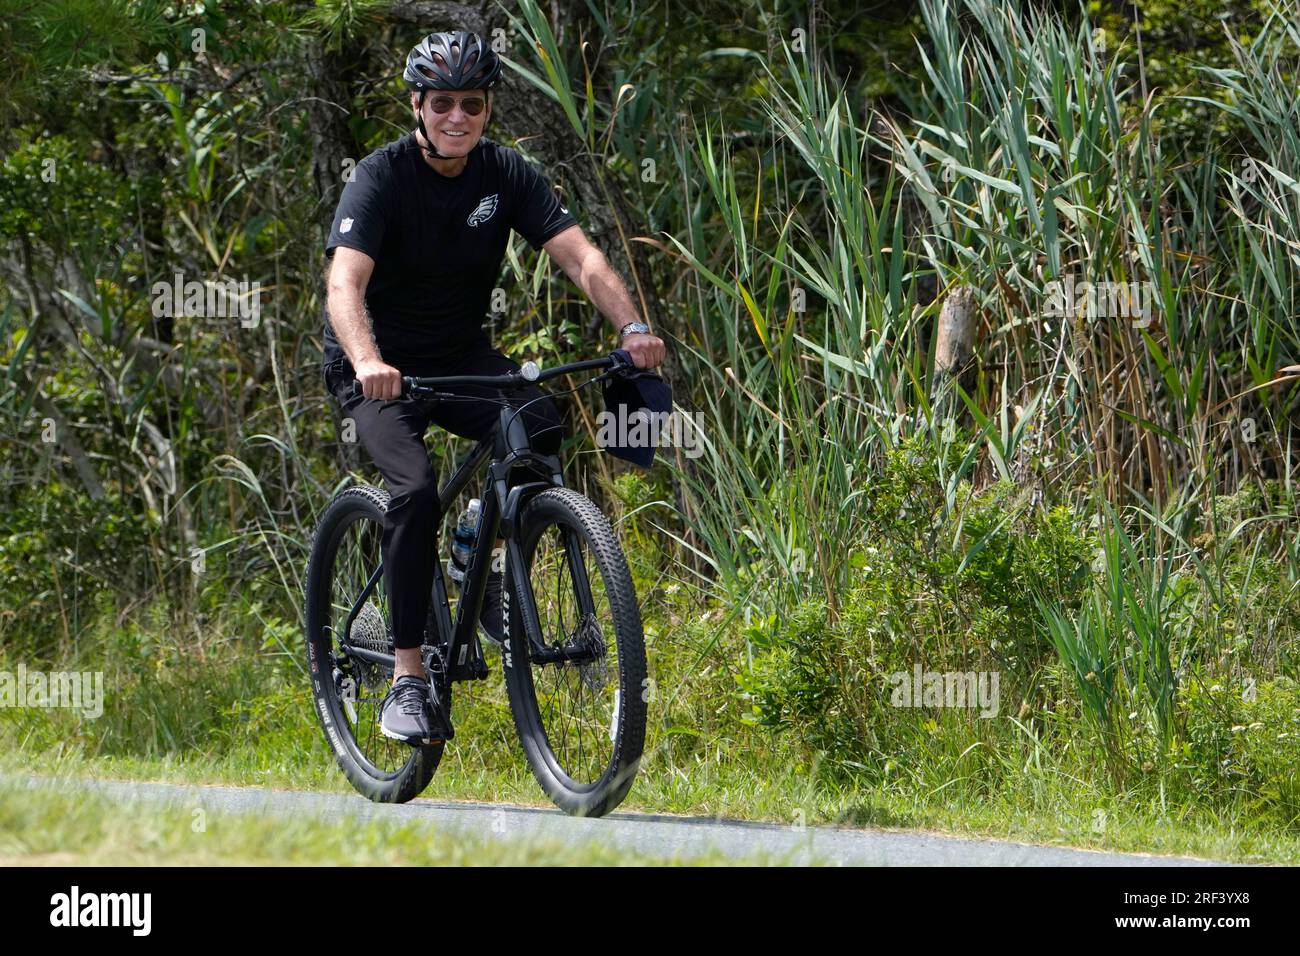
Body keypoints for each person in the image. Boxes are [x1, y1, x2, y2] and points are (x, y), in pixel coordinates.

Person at [320, 30, 666, 745]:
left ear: (486, 110)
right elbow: (343, 284)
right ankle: (409, 680)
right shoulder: (379, 178)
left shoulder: (506, 174)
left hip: (460, 354)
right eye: (441, 103)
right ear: (417, 105)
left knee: (539, 422)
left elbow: (581, 258)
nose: (457, 117)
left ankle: (477, 536)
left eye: (471, 104)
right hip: (382, 368)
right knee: (413, 490)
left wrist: (632, 325)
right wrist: (365, 361)